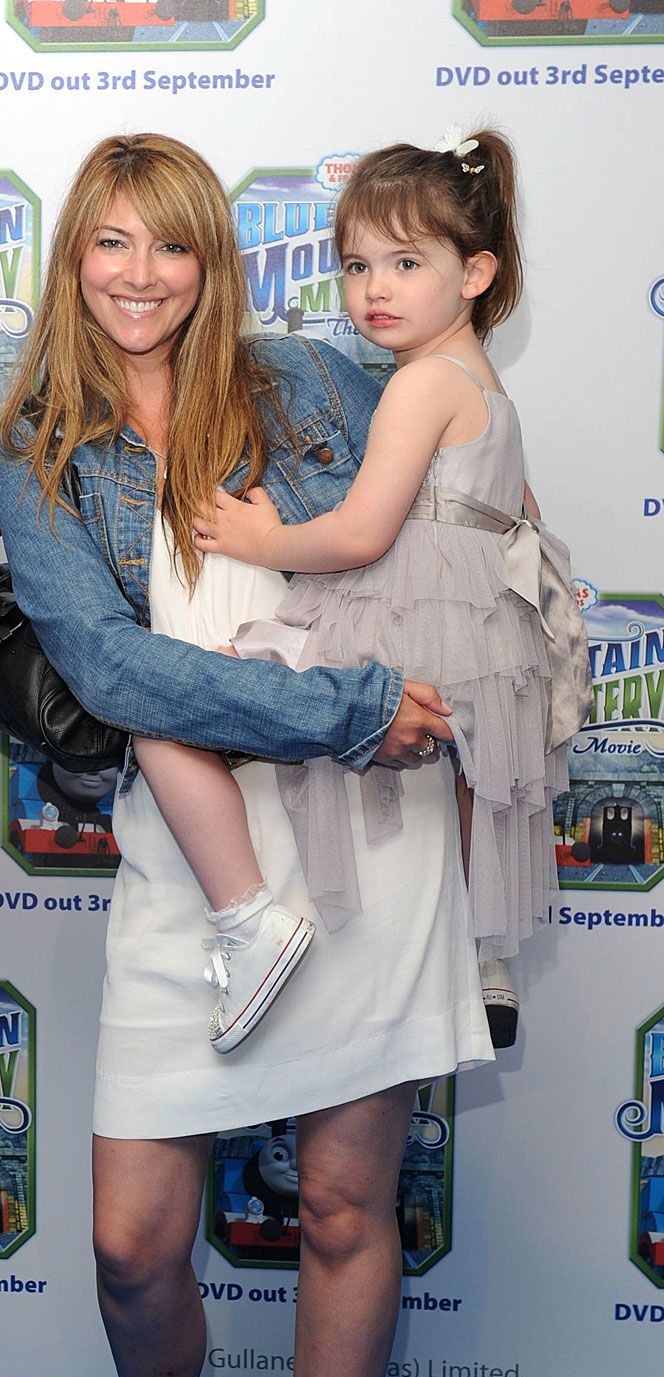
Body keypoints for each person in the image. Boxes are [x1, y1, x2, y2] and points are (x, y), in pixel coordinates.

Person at [0, 133, 491, 1377]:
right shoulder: (34, 442)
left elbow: (433, 558)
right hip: (199, 857)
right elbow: (115, 675)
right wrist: (341, 706)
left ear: (218, 260)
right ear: (72, 256)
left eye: (175, 248)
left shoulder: (318, 380)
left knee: (346, 1212)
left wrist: (392, 701)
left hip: (371, 847)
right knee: (135, 1241)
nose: (140, 278)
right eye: (109, 245)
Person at [158, 128, 562, 1054]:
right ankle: (483, 961)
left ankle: (265, 919)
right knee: (472, 791)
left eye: (406, 262)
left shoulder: (420, 385)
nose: (374, 289)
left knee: (227, 679)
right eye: (356, 265)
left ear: (475, 273)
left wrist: (265, 536)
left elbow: (362, 531)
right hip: (487, 628)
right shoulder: (486, 383)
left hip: (411, 608)